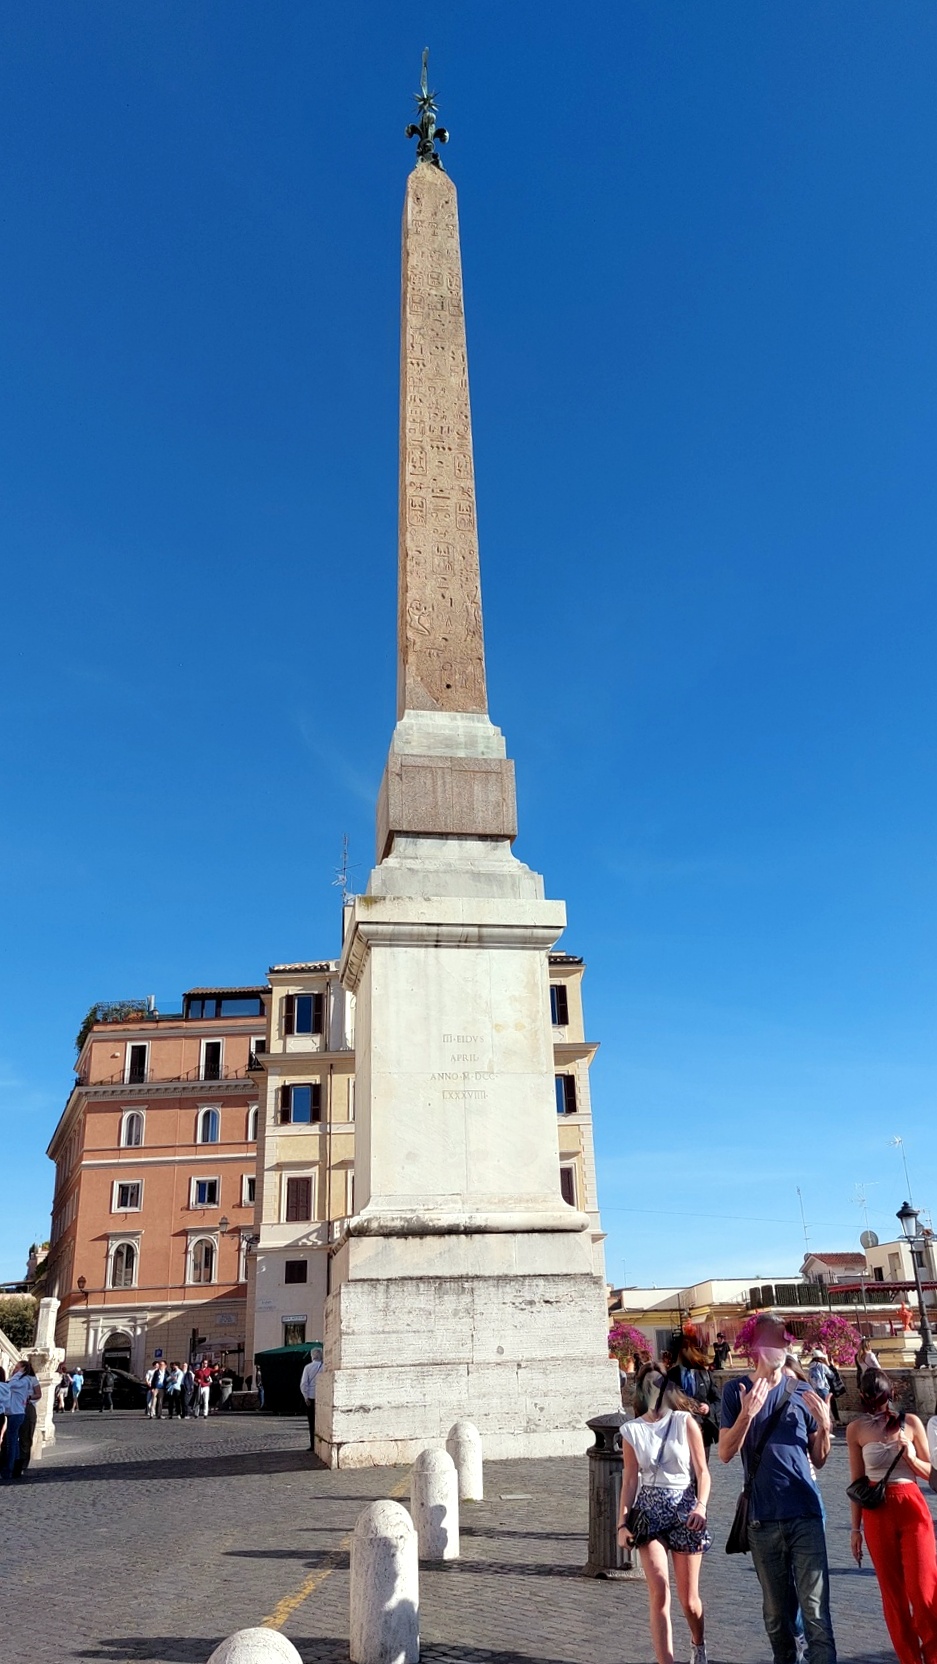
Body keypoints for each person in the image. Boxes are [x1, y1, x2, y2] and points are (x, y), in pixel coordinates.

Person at [719, 1314, 836, 1664]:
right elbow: (725, 1453)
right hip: (762, 1519)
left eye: (786, 1341)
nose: (784, 1347)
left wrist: (825, 1427)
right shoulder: (736, 1391)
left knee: (816, 1612)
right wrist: (747, 1414)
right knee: (776, 1616)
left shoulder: (802, 1391)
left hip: (805, 1513)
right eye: (775, 1341)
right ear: (755, 1347)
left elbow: (820, 1458)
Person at [617, 1371, 711, 1664]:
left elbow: (702, 1472)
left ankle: (698, 1644)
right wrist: (622, 1524)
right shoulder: (631, 1430)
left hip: (684, 1508)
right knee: (659, 1588)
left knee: (690, 1601)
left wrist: (701, 1506)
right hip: (650, 1511)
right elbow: (629, 1480)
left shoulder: (684, 1422)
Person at [848, 1369, 937, 1664]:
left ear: (891, 1395)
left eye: (881, 1397)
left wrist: (911, 1458)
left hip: (911, 1507)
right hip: (876, 1512)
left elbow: (933, 1476)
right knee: (893, 1595)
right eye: (872, 1399)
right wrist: (855, 1529)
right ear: (863, 1398)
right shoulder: (856, 1430)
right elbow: (856, 1483)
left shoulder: (910, 1423)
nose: (877, 1404)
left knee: (923, 1591)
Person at [667, 1341, 720, 1461]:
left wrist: (708, 1408)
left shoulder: (705, 1375)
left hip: (703, 1430)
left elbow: (718, 1400)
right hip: (678, 1431)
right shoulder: (670, 1376)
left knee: (701, 1466)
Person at [0, 1361, 41, 1484]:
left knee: (13, 1442)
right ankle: (16, 1468)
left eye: (17, 1367)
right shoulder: (22, 1380)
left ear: (23, 1369)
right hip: (15, 1413)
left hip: (16, 1414)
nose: (14, 1369)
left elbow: (10, 1385)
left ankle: (10, 1469)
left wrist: (18, 1373)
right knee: (14, 1442)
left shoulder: (22, 1381)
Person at [807, 1348, 841, 1427]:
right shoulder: (821, 1366)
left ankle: (820, 1423)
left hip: (814, 1389)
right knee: (826, 1406)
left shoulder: (810, 1367)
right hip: (823, 1388)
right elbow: (831, 1375)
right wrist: (829, 1364)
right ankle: (828, 1423)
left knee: (819, 1406)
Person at [300, 1348, 323, 1450]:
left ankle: (313, 1444)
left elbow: (304, 1384)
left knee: (312, 1422)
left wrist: (306, 1397)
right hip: (322, 1397)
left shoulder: (308, 1367)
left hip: (311, 1397)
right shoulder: (324, 1367)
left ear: (312, 1356)